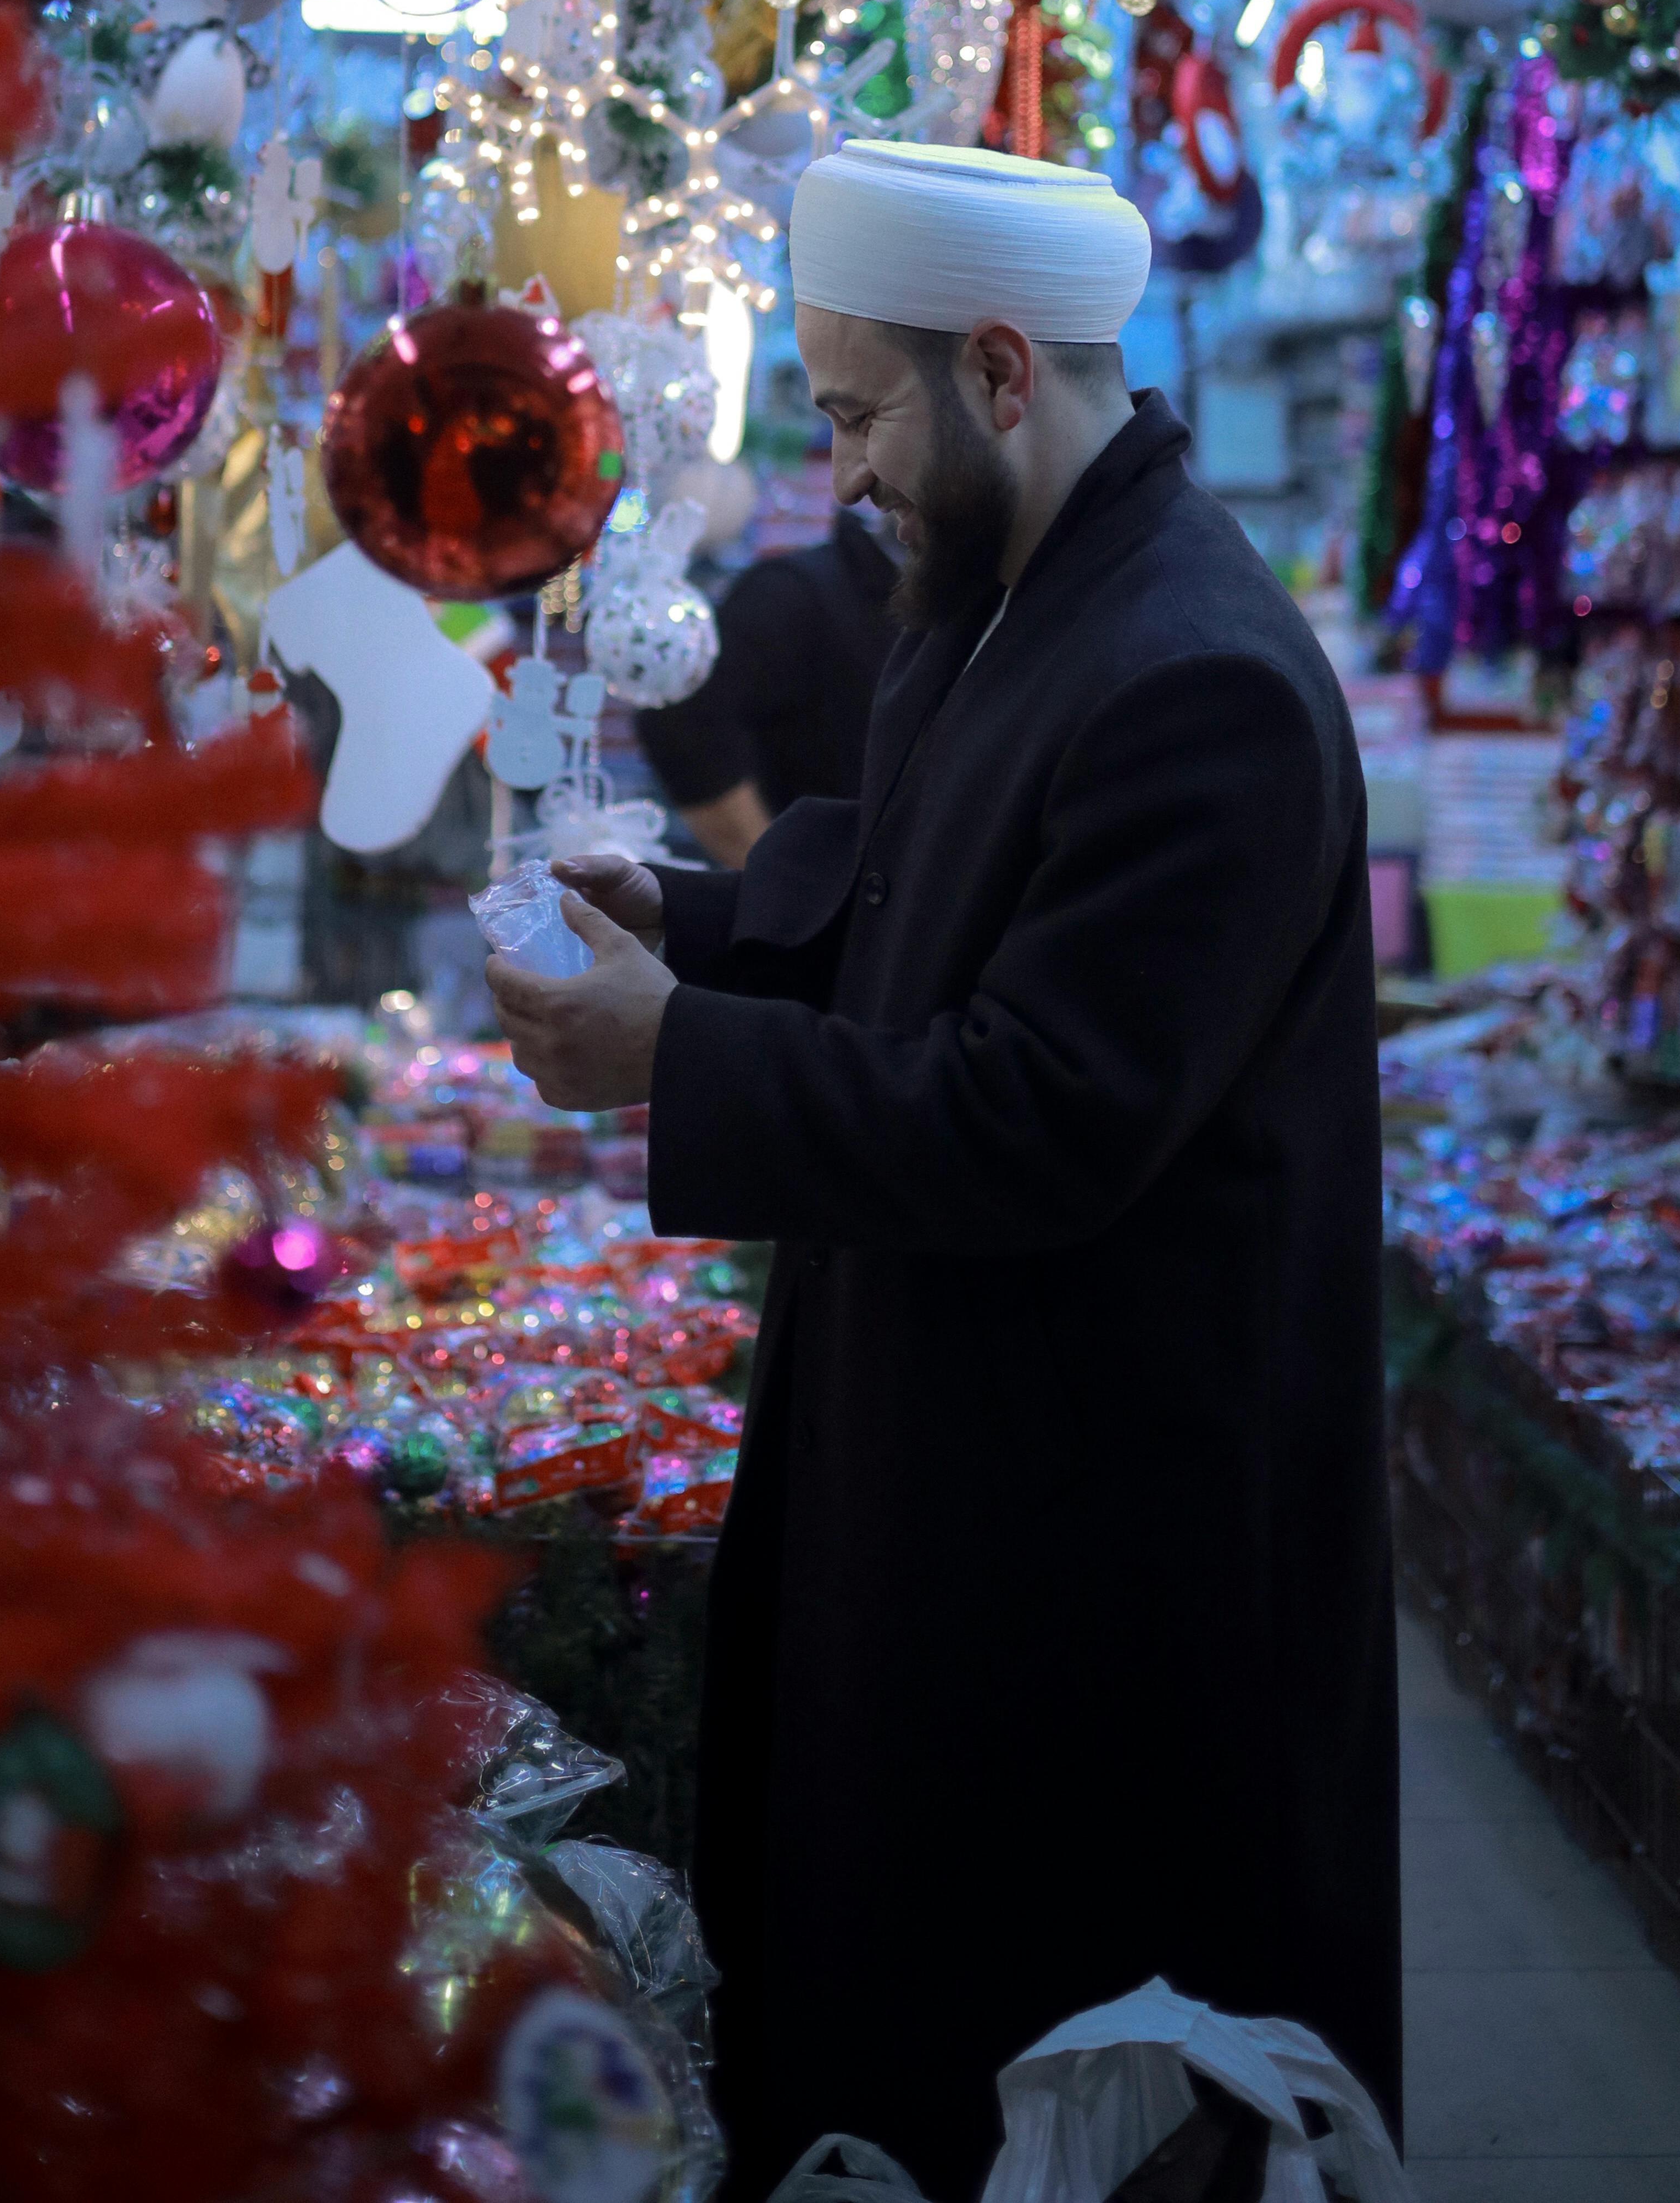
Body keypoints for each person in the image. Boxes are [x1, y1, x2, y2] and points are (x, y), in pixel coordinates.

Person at [483, 139, 1397, 2203]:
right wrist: (676, 913)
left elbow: (1036, 1104)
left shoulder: (1203, 679)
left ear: (998, 369)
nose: (842, 468)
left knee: (1061, 2068)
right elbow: (903, 884)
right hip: (966, 1441)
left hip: (1103, 1538)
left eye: (859, 410)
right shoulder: (1003, 593)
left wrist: (673, 1053)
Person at [635, 505, 899, 867]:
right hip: (826, 897)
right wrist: (773, 877)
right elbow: (680, 722)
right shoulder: (792, 592)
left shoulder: (974, 604)